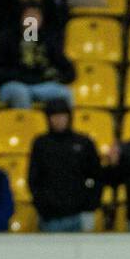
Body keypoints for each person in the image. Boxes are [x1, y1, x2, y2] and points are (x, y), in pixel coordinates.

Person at [28, 98, 102, 232]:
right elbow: (34, 179)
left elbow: (96, 176)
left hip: (78, 215)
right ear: (48, 118)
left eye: (62, 115)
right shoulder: (40, 144)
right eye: (54, 116)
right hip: (49, 217)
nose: (58, 120)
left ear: (69, 117)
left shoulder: (84, 143)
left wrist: (90, 206)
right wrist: (42, 205)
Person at [0, 1, 75, 109]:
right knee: (20, 92)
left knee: (64, 93)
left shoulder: (48, 40)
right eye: (28, 15)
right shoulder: (7, 38)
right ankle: (26, 125)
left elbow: (69, 71)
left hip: (41, 86)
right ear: (21, 17)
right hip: (13, 85)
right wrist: (19, 76)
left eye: (36, 15)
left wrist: (55, 77)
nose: (32, 19)